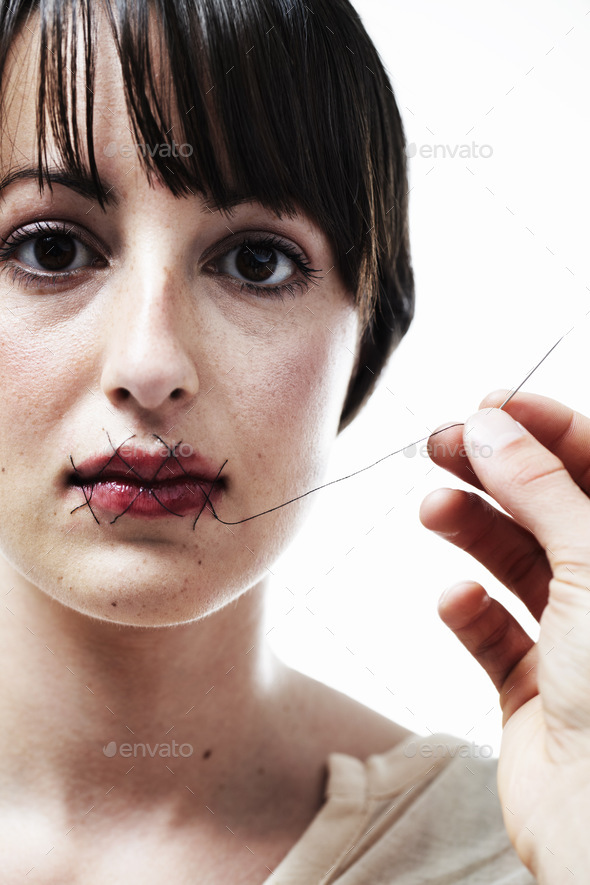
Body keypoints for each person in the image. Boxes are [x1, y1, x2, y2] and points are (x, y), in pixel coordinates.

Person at [0, 1, 586, 882]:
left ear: (365, 342)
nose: (151, 365)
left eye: (254, 262)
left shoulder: (537, 842)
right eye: (50, 249)